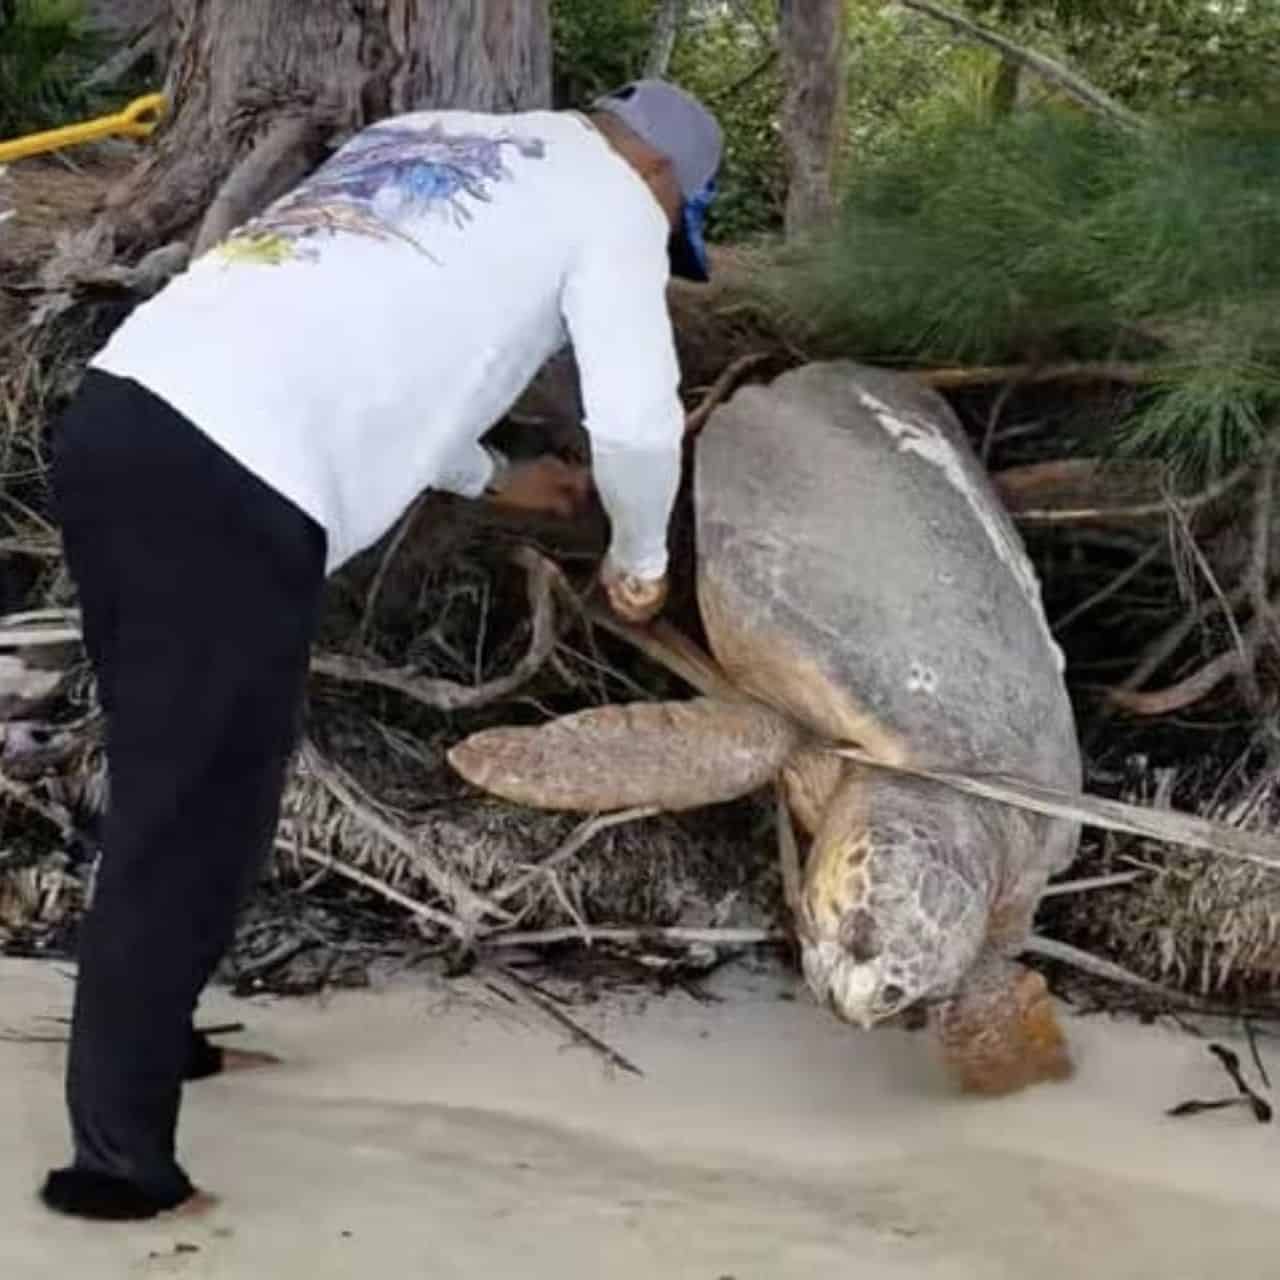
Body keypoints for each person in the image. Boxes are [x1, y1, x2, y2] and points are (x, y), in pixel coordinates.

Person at [39, 79, 723, 1222]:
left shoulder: (425, 135)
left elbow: (367, 337)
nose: (658, 240)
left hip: (122, 418)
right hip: (233, 483)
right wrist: (639, 557)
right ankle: (114, 1166)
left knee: (201, 784)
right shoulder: (610, 204)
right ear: (661, 179)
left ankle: (158, 1038)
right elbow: (639, 420)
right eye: (673, 227)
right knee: (190, 806)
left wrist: (494, 474)